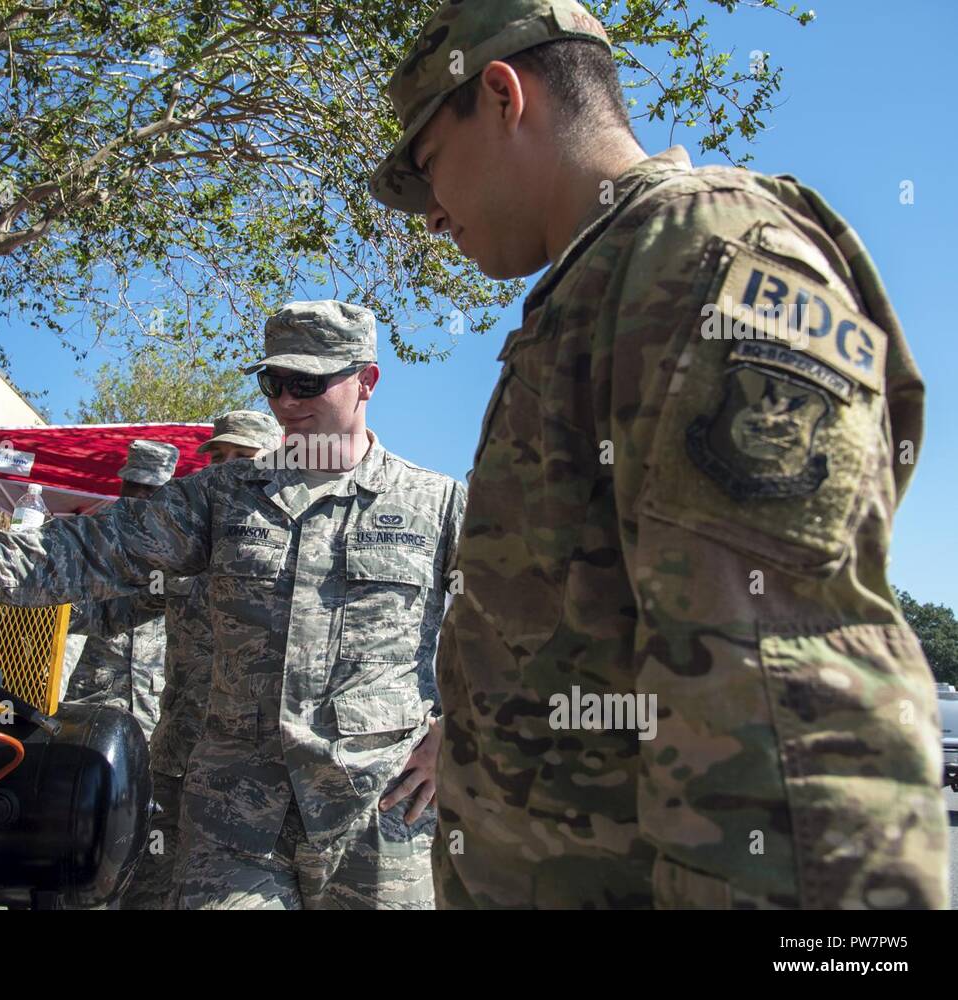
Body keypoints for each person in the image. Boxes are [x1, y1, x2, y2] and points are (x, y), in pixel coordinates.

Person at [369, 0, 946, 908]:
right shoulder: (594, 287)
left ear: (503, 94)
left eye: (430, 165)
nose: (431, 216)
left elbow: (791, 705)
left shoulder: (703, 256)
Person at [0, 300, 466, 909]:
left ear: (367, 379)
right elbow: (95, 547)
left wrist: (458, 731)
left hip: (377, 816)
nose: (285, 401)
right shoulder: (225, 496)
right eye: (273, 383)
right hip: (235, 817)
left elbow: (519, 628)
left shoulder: (438, 505)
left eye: (307, 382)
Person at [122, 409, 283, 909]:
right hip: (176, 760)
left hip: (253, 779)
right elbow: (111, 607)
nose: (226, 468)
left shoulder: (300, 551)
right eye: (219, 457)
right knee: (146, 889)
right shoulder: (183, 549)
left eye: (243, 457)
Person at [62, 440, 179, 739]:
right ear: (123, 484)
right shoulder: (94, 537)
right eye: (134, 484)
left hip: (150, 706)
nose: (141, 495)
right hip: (92, 696)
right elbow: (66, 620)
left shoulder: (180, 548)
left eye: (151, 489)